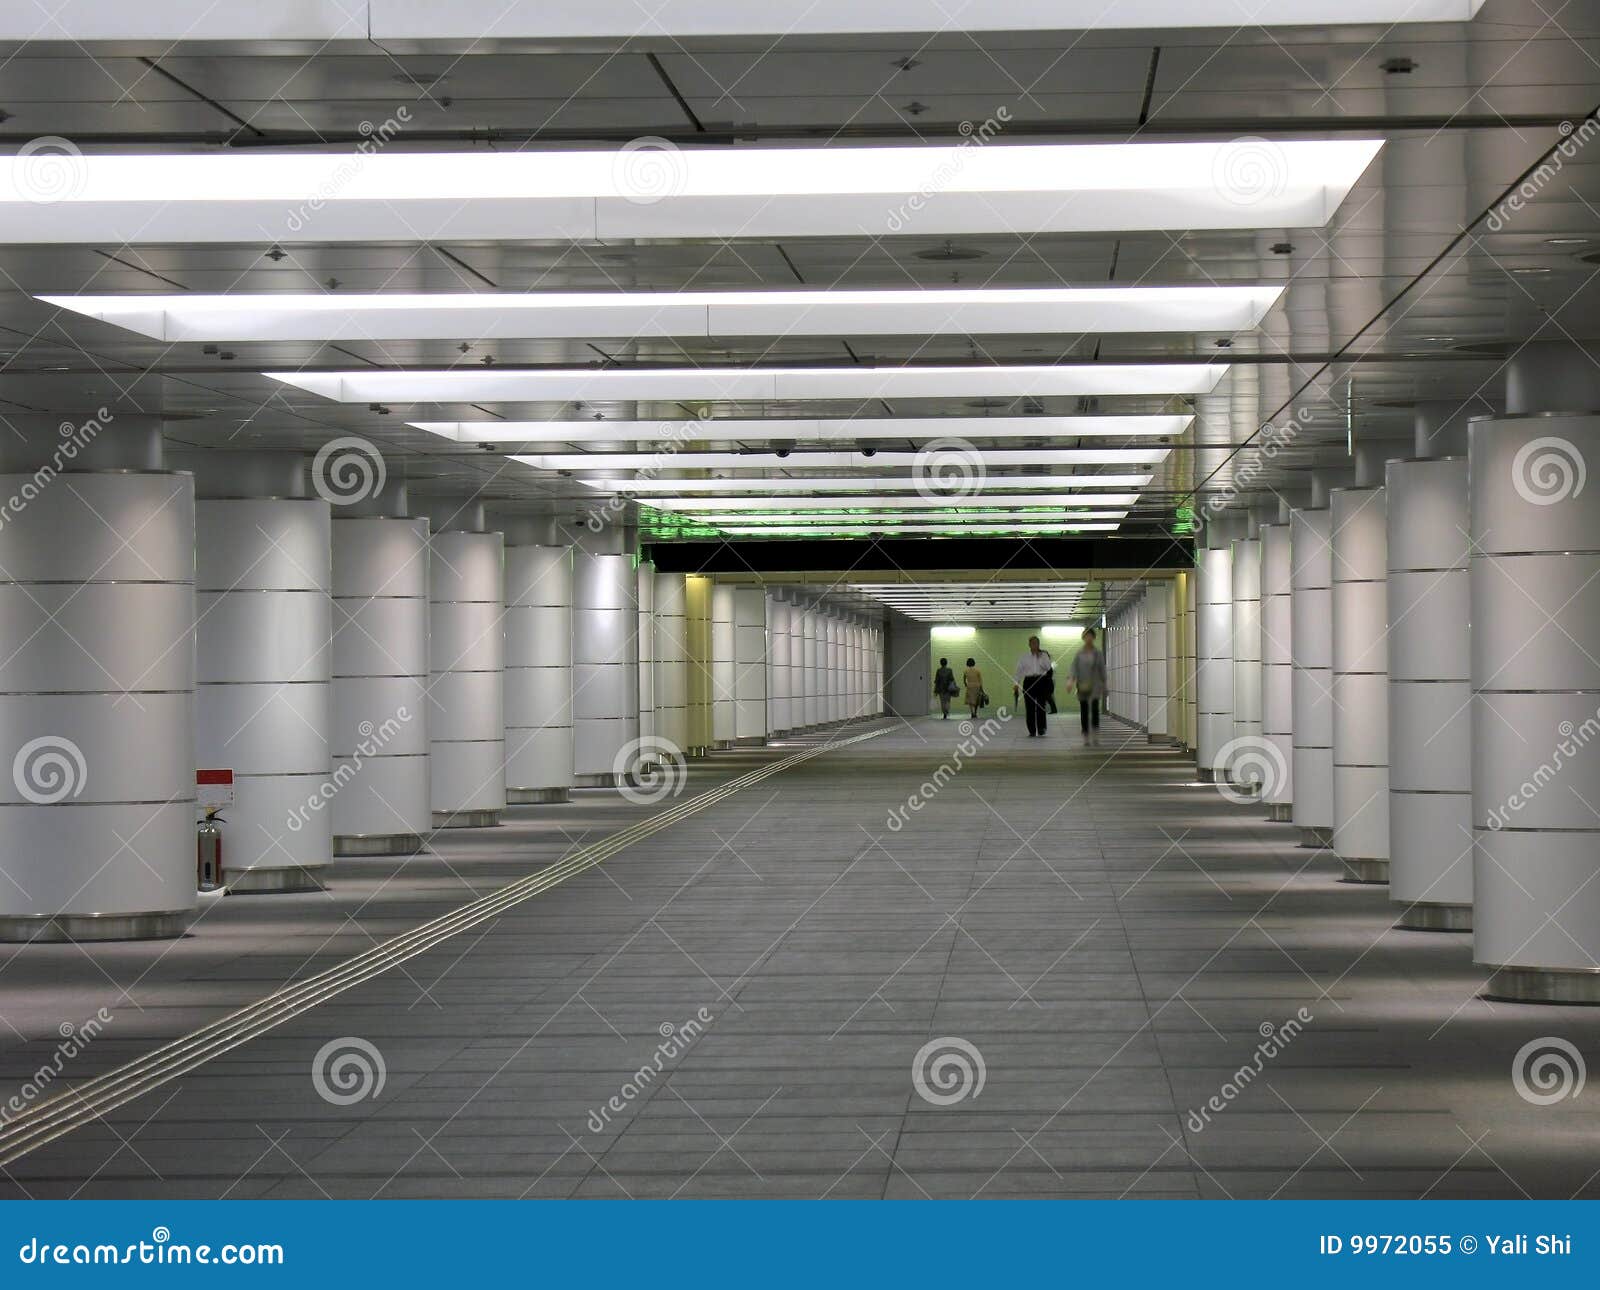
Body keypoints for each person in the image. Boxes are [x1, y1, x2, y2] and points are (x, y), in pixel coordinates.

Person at [1012, 635, 1053, 737]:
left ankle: (1041, 728)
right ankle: (1031, 730)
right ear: (1029, 645)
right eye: (1032, 643)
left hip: (1041, 681)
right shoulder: (1024, 657)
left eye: (1036, 643)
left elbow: (1048, 668)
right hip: (1029, 681)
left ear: (1039, 644)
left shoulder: (1044, 655)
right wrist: (1016, 684)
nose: (1034, 645)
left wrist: (1041, 658)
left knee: (1041, 706)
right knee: (1029, 707)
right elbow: (1018, 671)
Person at [1072, 627, 1108, 741]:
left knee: (1094, 709)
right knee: (1084, 709)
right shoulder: (1079, 654)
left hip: (1095, 685)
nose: (1088, 638)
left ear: (1094, 637)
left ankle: (1095, 732)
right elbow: (1074, 668)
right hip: (1082, 684)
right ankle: (1086, 733)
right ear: (1083, 638)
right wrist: (1071, 681)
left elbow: (1102, 669)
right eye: (1086, 636)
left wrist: (1105, 684)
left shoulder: (1098, 653)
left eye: (1090, 636)